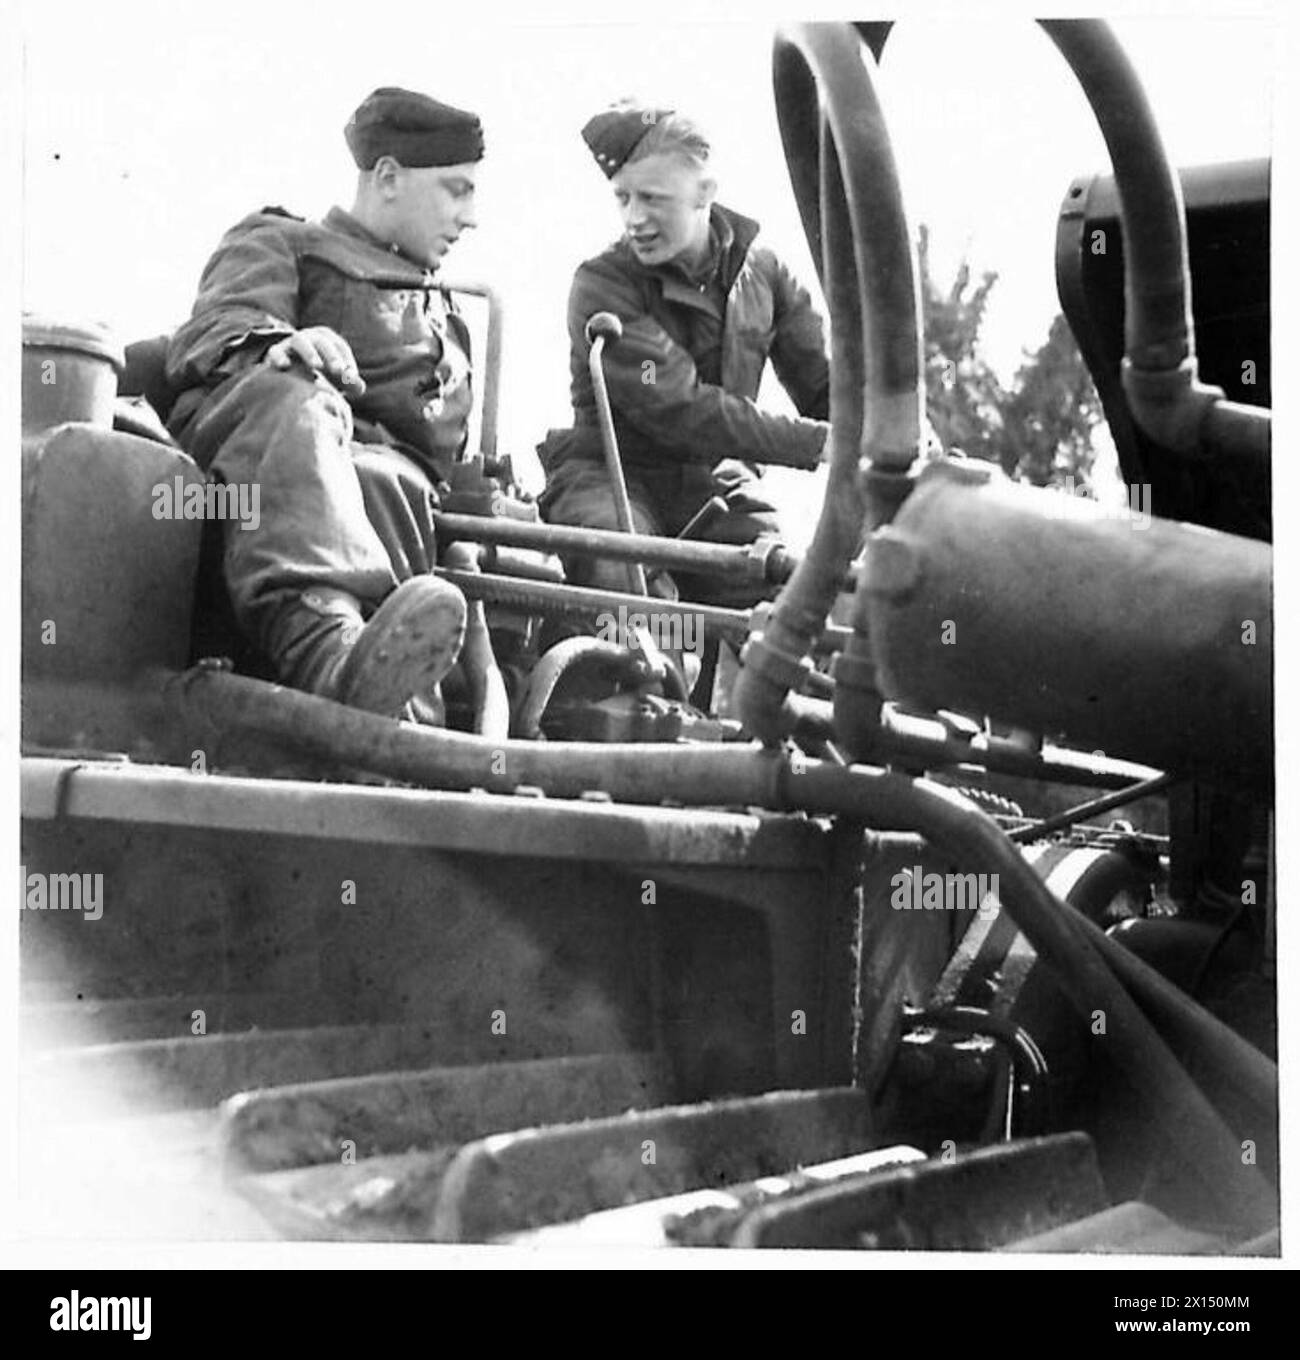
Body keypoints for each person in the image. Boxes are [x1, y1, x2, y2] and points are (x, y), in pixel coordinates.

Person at [165, 87, 484, 719]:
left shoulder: (452, 315)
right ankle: (328, 652)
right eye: (456, 189)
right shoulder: (282, 239)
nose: (471, 217)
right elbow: (218, 327)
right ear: (388, 177)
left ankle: (406, 717)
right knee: (299, 399)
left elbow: (456, 469)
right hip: (258, 469)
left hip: (400, 517)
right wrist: (284, 343)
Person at [538, 101, 831, 610]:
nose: (635, 219)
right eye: (623, 198)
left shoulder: (764, 275)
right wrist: (824, 443)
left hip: (711, 484)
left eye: (652, 199)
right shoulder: (602, 284)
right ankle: (647, 677)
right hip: (609, 475)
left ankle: (743, 681)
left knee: (791, 591)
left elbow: (828, 385)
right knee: (621, 575)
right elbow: (680, 408)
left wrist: (906, 443)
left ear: (705, 195)